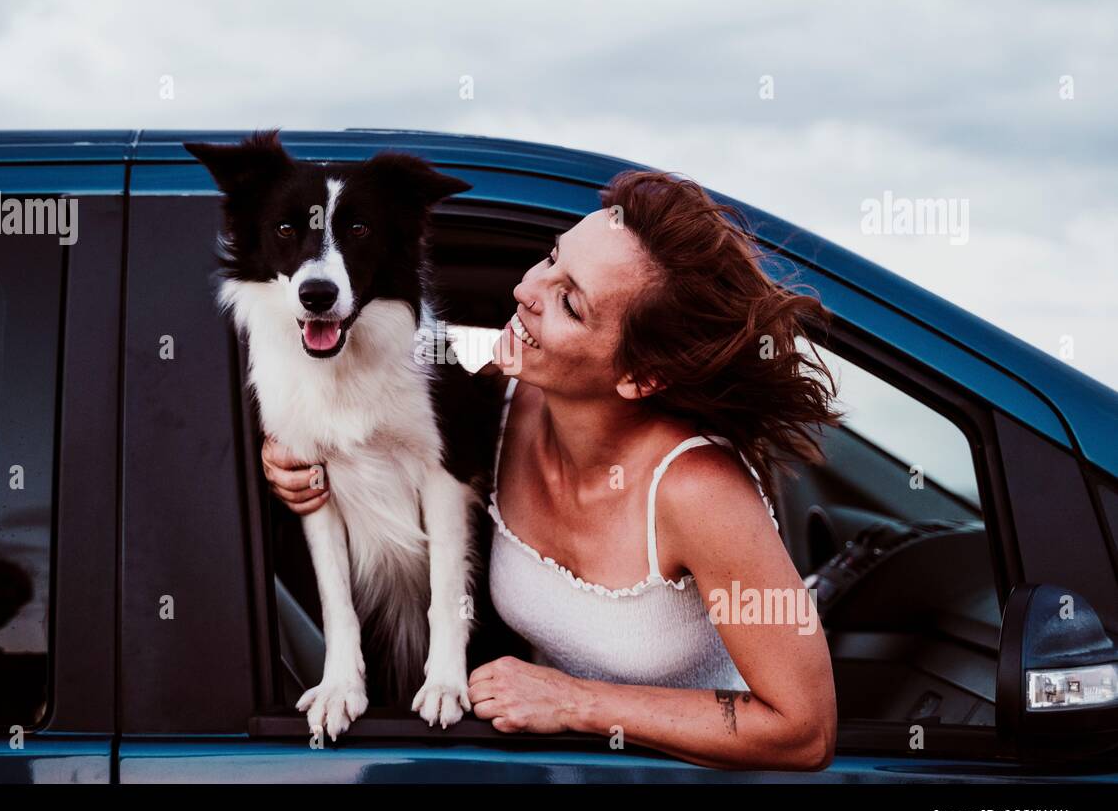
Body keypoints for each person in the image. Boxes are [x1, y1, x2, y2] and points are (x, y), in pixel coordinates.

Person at [263, 170, 844, 769]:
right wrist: (288, 455)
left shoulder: (697, 492)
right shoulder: (505, 394)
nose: (527, 290)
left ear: (641, 376)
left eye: (569, 301)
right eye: (550, 257)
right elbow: (380, 435)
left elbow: (804, 731)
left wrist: (577, 704)